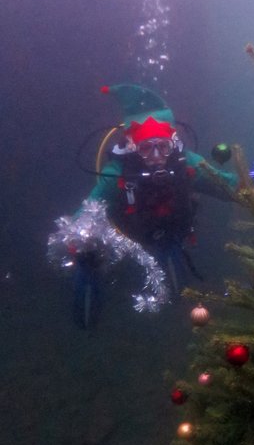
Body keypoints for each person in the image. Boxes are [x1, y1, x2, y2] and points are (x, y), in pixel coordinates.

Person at [52, 83, 239, 327]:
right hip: (126, 238)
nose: (156, 156)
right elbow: (89, 207)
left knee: (172, 259)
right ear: (132, 145)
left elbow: (224, 184)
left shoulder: (187, 163)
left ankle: (176, 318)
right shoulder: (117, 173)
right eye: (146, 148)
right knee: (88, 264)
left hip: (167, 235)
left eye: (163, 146)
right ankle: (85, 325)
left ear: (173, 142)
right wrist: (77, 240)